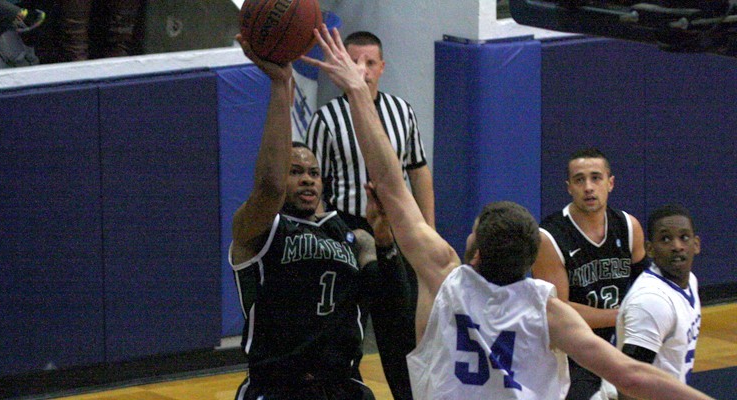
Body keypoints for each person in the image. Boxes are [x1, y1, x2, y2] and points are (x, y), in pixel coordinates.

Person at [302, 23, 715, 400]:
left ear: (476, 253)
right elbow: (632, 375)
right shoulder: (547, 309)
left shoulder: (445, 280)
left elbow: (392, 187)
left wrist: (357, 93)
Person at [229, 33, 377, 400]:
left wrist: (385, 245)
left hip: (342, 385)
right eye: (296, 171)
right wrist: (282, 85)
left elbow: (384, 297)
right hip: (278, 386)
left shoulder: (354, 236)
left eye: (312, 172)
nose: (307, 178)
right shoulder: (261, 229)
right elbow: (268, 189)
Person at [305, 30, 433, 400]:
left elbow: (419, 170)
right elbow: (314, 187)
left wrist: (428, 231)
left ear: (382, 67)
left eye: (369, 62)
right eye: (353, 61)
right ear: (340, 65)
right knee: (345, 329)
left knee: (401, 332)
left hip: (398, 231)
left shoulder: (401, 111)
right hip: (347, 231)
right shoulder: (326, 120)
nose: (361, 69)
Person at [532, 147, 648, 399]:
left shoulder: (629, 227)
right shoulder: (549, 237)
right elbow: (557, 313)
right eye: (579, 179)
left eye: (596, 178)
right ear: (569, 187)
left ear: (610, 183)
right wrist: (620, 316)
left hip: (620, 342)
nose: (588, 187)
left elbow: (646, 287)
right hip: (572, 352)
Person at [616, 204, 702, 400]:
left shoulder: (690, 281)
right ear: (650, 249)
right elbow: (629, 382)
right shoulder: (652, 302)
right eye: (665, 239)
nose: (677, 246)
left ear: (696, 245)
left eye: (684, 237)